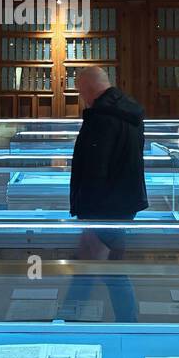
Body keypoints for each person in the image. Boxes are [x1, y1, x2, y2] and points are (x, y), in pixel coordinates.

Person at [67, 67, 145, 322]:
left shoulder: (100, 117)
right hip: (123, 202)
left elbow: (94, 168)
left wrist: (85, 214)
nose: (81, 97)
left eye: (80, 91)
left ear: (89, 89)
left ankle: (72, 319)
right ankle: (69, 316)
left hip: (103, 206)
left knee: (106, 267)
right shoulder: (130, 111)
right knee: (98, 264)